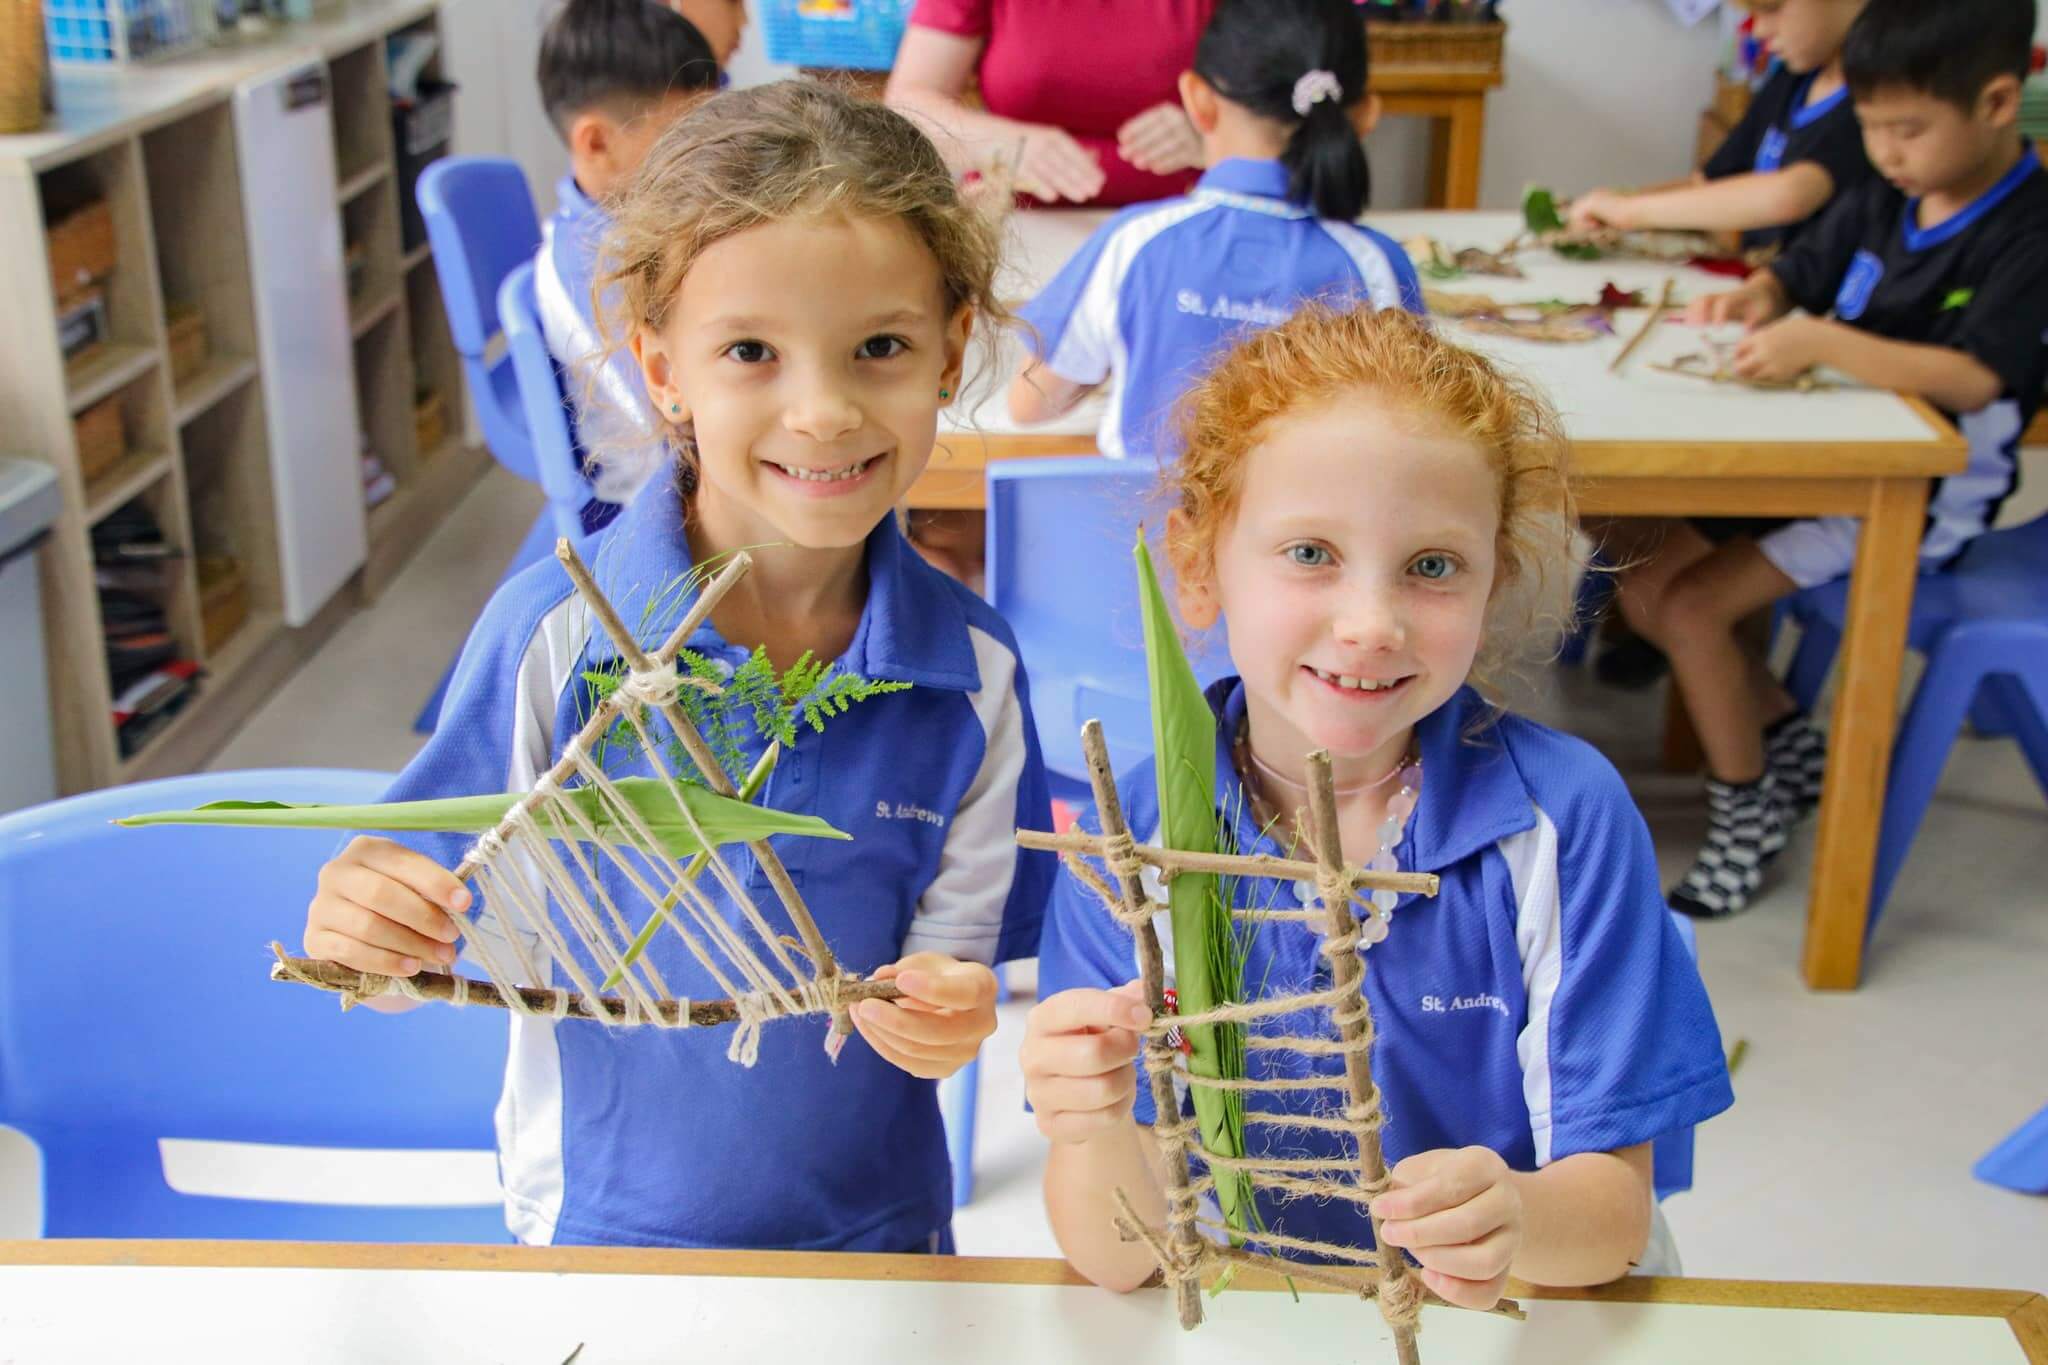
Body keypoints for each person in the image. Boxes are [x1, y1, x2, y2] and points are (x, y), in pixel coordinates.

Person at [303, 82, 1055, 1251]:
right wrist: (369, 925)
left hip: (879, 1238)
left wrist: (951, 1012)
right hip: (602, 1235)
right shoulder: (558, 639)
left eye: (880, 348)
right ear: (661, 369)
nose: (822, 412)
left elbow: (950, 971)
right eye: (750, 351)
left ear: (951, 353)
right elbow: (411, 942)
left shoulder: (972, 673)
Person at [1027, 304, 1733, 1306]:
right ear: (1197, 564)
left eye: (1432, 567)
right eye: (1309, 552)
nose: (1371, 624)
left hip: (1517, 1311)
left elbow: (1611, 1225)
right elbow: (1118, 1258)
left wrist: (1518, 1217)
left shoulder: (1558, 820)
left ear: (1493, 582)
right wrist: (1092, 1124)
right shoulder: (1128, 844)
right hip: (1260, 1308)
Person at [1625, 0, 2048, 919]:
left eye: (1908, 130)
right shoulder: (1891, 193)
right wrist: (1762, 297)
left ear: (1996, 102)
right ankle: (1784, 734)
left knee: (1693, 605)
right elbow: (1802, 270)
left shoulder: (2027, 229)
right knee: (1639, 557)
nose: (1886, 151)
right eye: (1870, 127)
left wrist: (1823, 343)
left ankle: (1746, 813)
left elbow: (1976, 377)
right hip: (1823, 458)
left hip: (1921, 495)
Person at [1009, 0, 1417, 461]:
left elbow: (1029, 403)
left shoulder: (1134, 242)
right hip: (1307, 510)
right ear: (1365, 116)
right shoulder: (1377, 267)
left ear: (1198, 101)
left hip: (1143, 511)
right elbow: (1411, 427)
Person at [534, 0, 722, 524]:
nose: (700, 156)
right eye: (680, 138)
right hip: (656, 512)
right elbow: (665, 428)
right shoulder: (595, 269)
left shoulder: (630, 227)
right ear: (597, 142)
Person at [1570, 0, 1875, 255]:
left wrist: (1629, 213)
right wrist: (1616, 204)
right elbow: (1707, 182)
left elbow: (1790, 195)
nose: (1758, 30)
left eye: (1772, 9)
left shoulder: (1874, 100)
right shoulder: (1792, 78)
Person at [884, 0, 1214, 207]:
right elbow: (906, 110)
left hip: (1185, 224)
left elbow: (1249, 123)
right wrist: (1003, 144)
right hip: (1015, 229)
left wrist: (1211, 138)